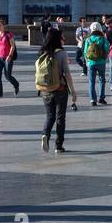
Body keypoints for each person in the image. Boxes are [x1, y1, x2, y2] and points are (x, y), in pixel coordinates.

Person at [35, 25, 77, 153]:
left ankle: (45, 134)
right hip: (60, 89)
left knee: (50, 116)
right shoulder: (62, 53)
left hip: (45, 89)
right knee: (60, 118)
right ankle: (58, 146)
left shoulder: (42, 52)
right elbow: (67, 74)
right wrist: (73, 91)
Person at [82, 21, 109, 106]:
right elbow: (107, 48)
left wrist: (87, 61)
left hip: (91, 63)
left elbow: (85, 52)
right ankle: (101, 98)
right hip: (101, 62)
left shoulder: (88, 39)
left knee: (91, 81)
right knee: (102, 80)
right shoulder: (102, 38)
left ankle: (93, 100)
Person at [0, 18, 18, 97]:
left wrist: (10, 55)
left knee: (8, 76)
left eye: (0, 25)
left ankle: (16, 85)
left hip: (7, 58)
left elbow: (13, 46)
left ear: (3, 26)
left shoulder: (8, 35)